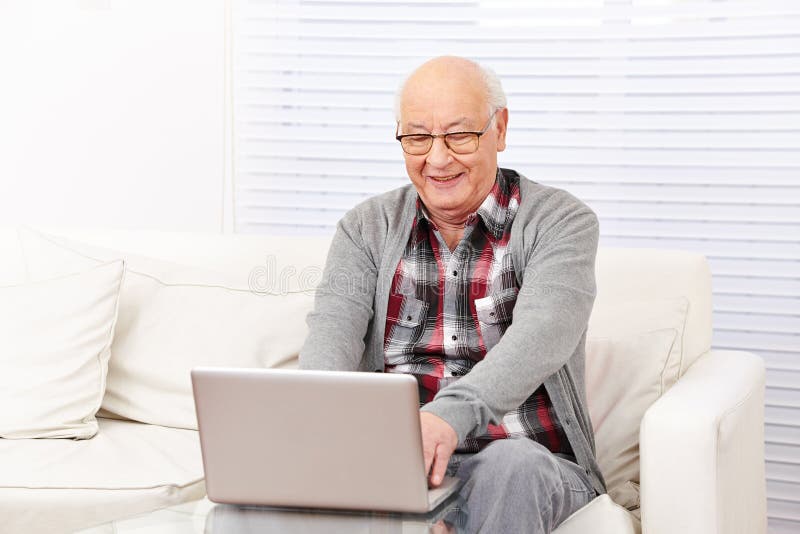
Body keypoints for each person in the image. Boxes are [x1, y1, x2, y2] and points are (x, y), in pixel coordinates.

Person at [299, 55, 607, 533]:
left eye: (459, 135)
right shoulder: (366, 228)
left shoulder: (561, 222)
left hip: (527, 461)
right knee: (249, 501)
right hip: (399, 467)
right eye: (418, 137)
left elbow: (543, 335)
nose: (437, 159)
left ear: (499, 129)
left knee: (512, 468)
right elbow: (329, 340)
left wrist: (446, 418)